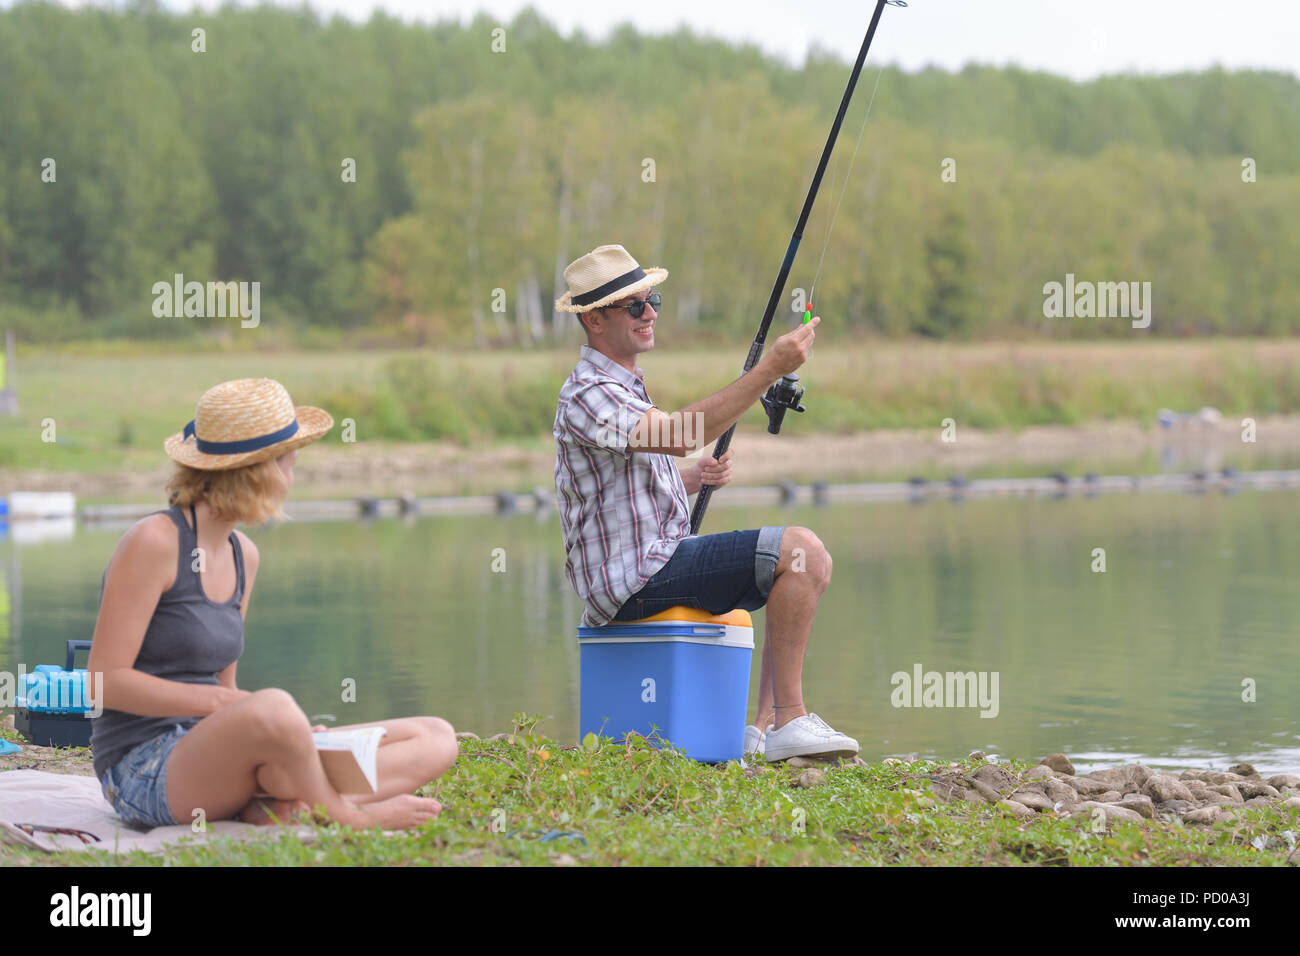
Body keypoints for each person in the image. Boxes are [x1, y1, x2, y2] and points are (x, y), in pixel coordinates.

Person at [88, 378, 456, 831]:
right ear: (257, 472)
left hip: (220, 757)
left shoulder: (245, 555)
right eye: (289, 465)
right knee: (276, 709)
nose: (291, 479)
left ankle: (273, 805)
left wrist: (287, 735)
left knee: (435, 736)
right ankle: (343, 815)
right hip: (144, 770)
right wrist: (246, 709)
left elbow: (228, 690)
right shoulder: (154, 542)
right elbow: (103, 683)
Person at [552, 244, 858, 762]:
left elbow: (623, 482)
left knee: (803, 567)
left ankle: (761, 730)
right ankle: (791, 720)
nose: (650, 315)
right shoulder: (587, 392)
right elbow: (676, 434)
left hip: (653, 563)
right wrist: (766, 371)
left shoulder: (622, 387)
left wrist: (690, 479)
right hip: (634, 581)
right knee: (802, 551)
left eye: (654, 302)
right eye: (635, 307)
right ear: (595, 320)